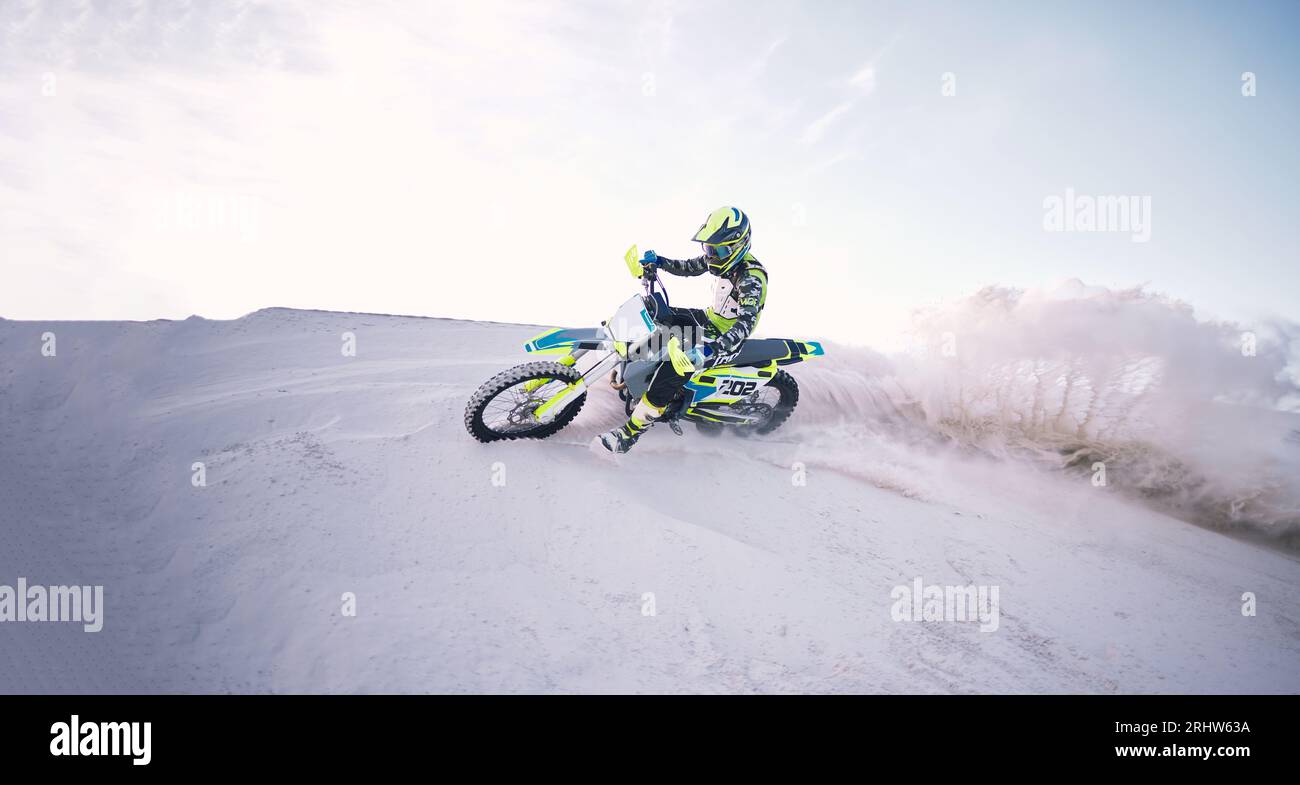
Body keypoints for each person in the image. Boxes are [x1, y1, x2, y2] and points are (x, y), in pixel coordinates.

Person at [597, 206, 768, 453]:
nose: (710, 256)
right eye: (708, 248)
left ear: (738, 246)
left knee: (674, 368)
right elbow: (689, 267)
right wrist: (660, 262)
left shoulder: (751, 277)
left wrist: (709, 350)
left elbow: (745, 324)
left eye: (716, 250)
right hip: (709, 319)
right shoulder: (719, 259)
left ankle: (629, 435)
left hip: (725, 338)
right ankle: (634, 372)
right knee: (655, 311)